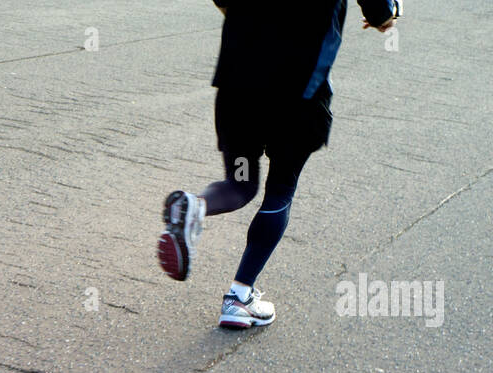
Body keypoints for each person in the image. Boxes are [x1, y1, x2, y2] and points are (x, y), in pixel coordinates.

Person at [157, 1, 401, 328]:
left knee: (239, 183)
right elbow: (379, 10)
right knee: (280, 191)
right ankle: (238, 296)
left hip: (238, 88)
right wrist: (388, 15)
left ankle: (194, 206)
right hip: (297, 97)